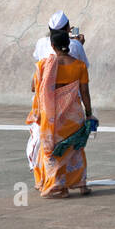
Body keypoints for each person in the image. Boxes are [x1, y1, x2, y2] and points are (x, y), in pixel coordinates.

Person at [26, 29, 95, 198]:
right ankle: (81, 184)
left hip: (52, 116)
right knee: (75, 149)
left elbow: (34, 88)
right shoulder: (80, 65)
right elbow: (84, 92)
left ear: (52, 45)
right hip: (73, 115)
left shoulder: (44, 65)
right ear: (68, 44)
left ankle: (58, 186)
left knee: (53, 151)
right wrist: (89, 113)